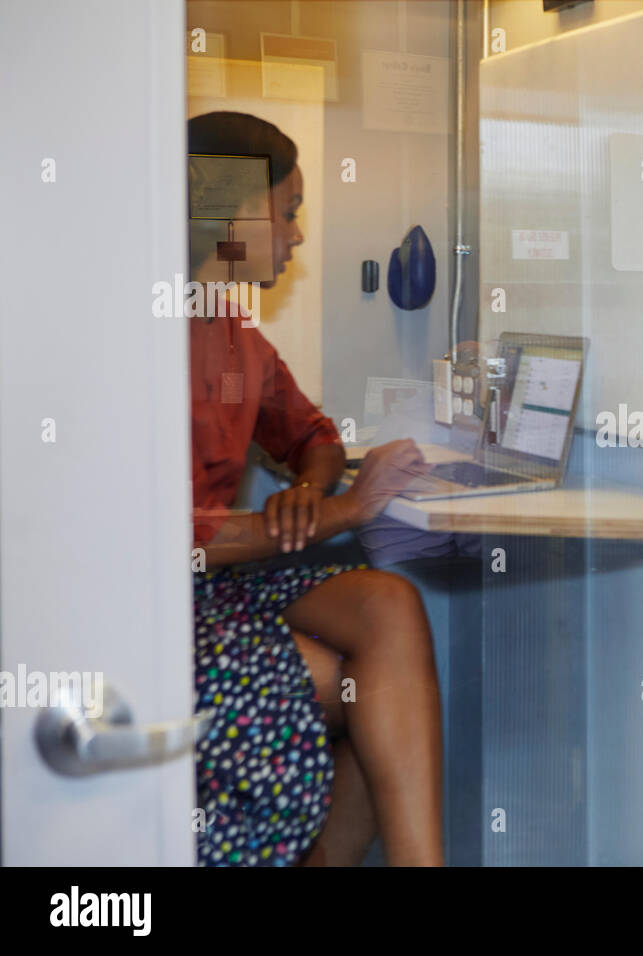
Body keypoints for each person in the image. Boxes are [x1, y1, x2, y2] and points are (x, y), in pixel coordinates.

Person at [187, 111, 443, 866]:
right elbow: (170, 536)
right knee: (364, 692)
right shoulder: (142, 330)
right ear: (234, 213)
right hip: (143, 610)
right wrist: (347, 510)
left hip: (212, 593)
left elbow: (314, 434)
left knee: (388, 609)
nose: (297, 235)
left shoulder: (239, 337)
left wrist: (310, 484)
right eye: (289, 211)